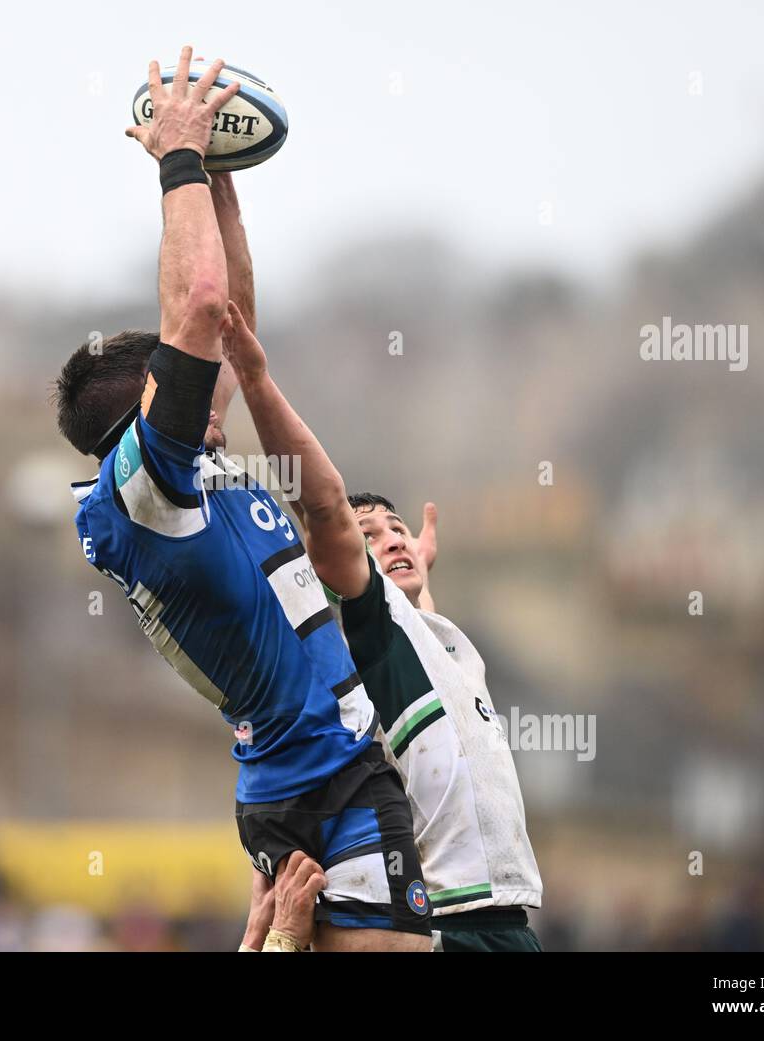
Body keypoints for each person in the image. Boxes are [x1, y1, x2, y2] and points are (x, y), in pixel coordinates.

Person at [54, 46, 430, 950]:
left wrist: (218, 185)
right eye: (178, 372)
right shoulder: (146, 486)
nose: (203, 367)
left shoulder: (184, 462)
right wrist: (178, 157)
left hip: (295, 777)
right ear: (152, 399)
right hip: (324, 775)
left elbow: (218, 314)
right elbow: (200, 305)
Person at [221, 302, 545, 952]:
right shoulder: (371, 629)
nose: (391, 539)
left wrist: (412, 567)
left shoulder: (445, 642)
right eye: (369, 536)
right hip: (445, 922)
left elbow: (425, 629)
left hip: (515, 919)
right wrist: (256, 382)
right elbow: (322, 510)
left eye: (398, 529)